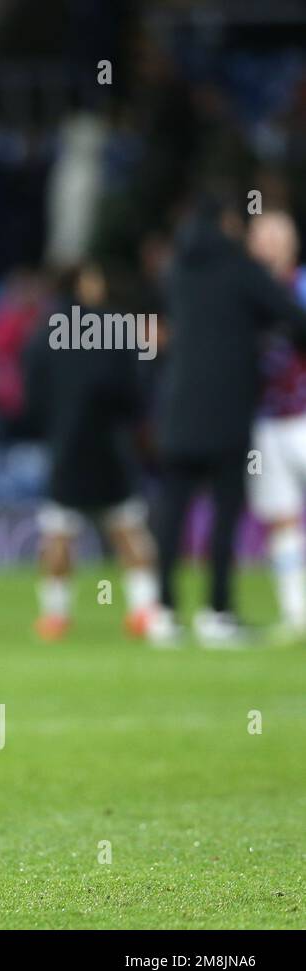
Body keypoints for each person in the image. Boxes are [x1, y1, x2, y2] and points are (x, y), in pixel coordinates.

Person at [152, 192, 306, 647]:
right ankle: (220, 610)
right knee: (229, 513)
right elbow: (293, 321)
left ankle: (165, 611)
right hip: (239, 415)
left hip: (180, 411)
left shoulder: (178, 271)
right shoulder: (243, 273)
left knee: (172, 514)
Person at [21, 264, 158, 640]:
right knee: (128, 528)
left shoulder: (44, 329)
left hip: (66, 444)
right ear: (82, 284)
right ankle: (144, 610)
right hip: (110, 444)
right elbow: (134, 387)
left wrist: (53, 425)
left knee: (58, 531)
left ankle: (54, 616)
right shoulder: (114, 325)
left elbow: (32, 395)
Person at [246, 211, 306, 642]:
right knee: (281, 518)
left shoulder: (302, 285)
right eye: (260, 237)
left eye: (275, 237)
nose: (267, 245)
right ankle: (295, 611)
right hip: (265, 421)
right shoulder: (243, 293)